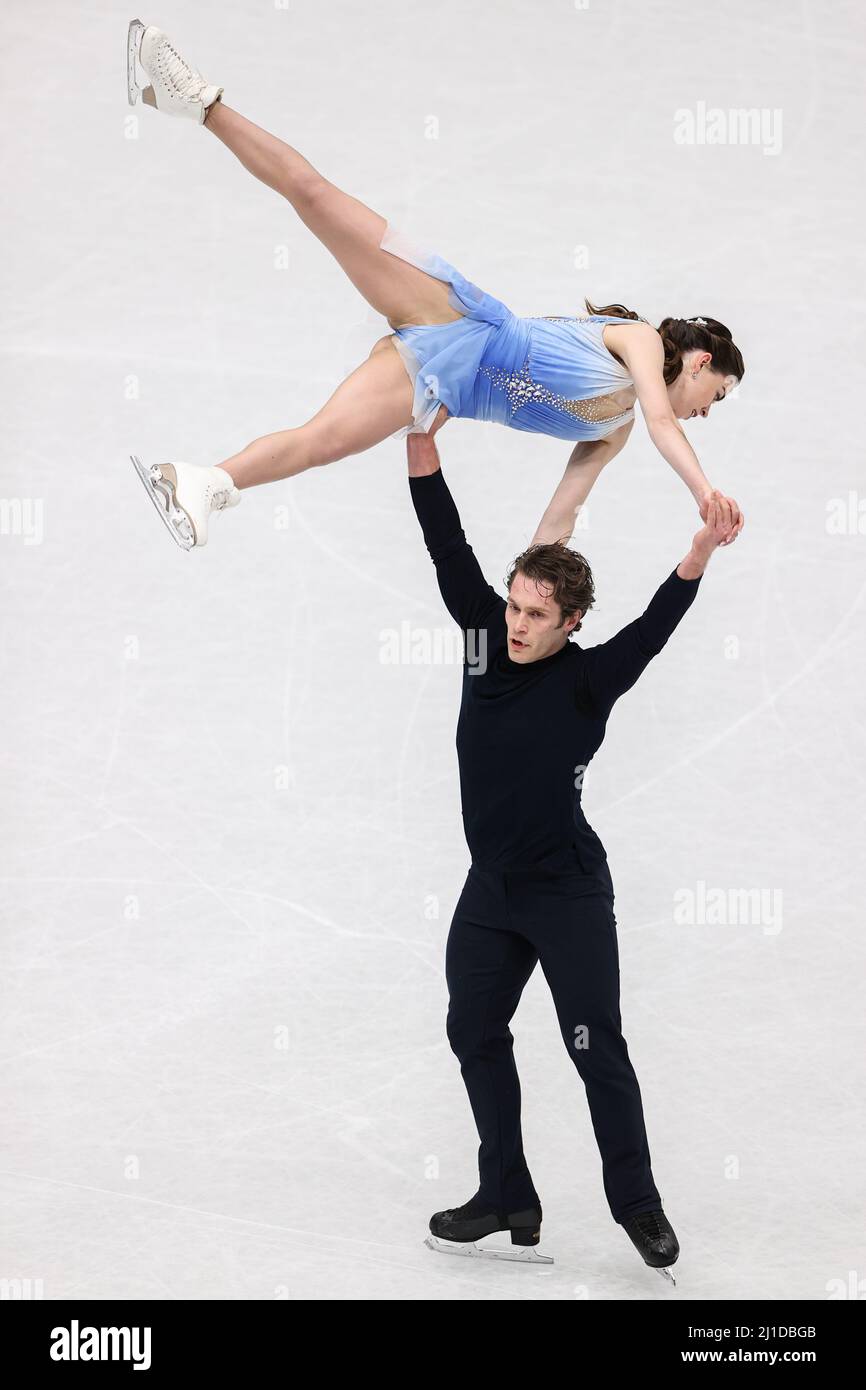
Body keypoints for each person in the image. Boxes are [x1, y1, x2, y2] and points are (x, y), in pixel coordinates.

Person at [125, 20, 745, 550]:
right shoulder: (636, 339)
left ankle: (199, 482)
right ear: (699, 360)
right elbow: (668, 425)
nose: (707, 411)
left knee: (324, 442)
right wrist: (705, 493)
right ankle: (198, 100)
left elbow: (562, 513)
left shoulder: (613, 430)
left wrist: (530, 593)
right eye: (716, 394)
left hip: (441, 384)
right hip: (461, 320)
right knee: (316, 200)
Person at [406, 424, 738, 1278]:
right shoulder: (485, 643)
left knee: (595, 1046)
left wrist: (699, 546)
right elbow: (447, 548)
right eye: (513, 605)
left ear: (572, 622)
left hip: (566, 892)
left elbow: (657, 626)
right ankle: (506, 1195)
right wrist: (420, 440)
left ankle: (639, 1206)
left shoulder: (589, 679)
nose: (515, 624)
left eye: (536, 615)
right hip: (492, 891)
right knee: (473, 1028)